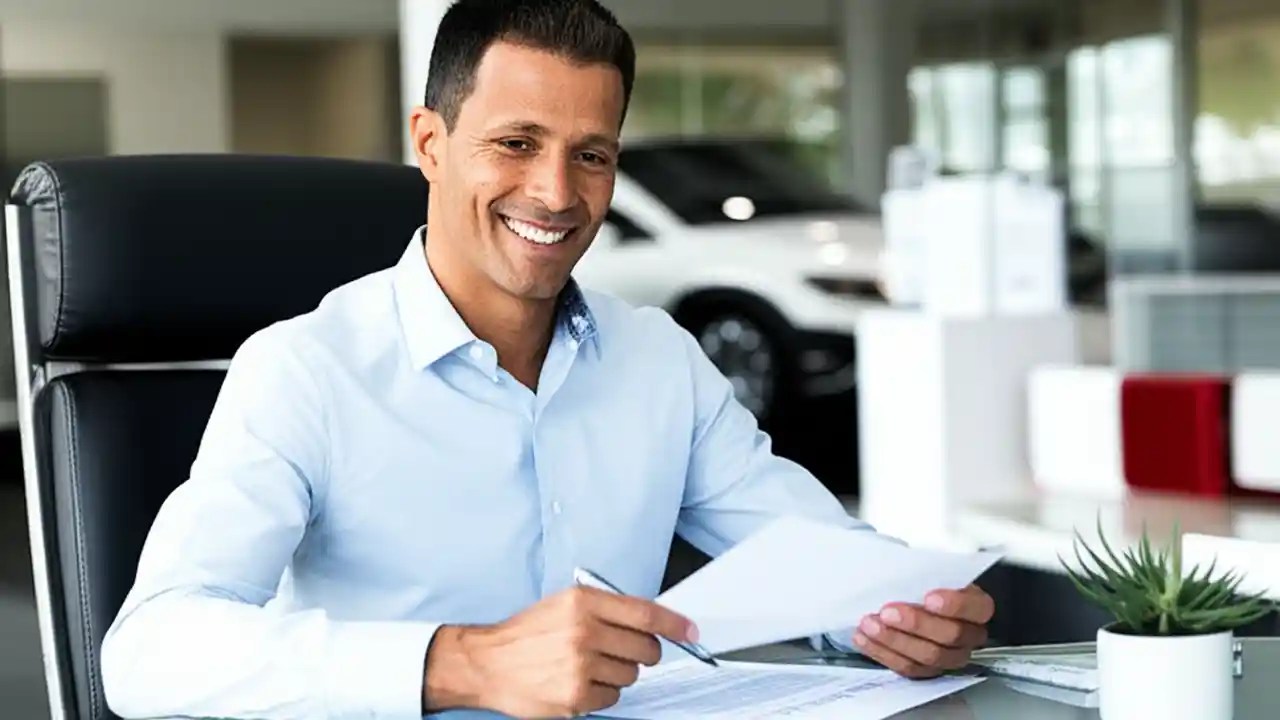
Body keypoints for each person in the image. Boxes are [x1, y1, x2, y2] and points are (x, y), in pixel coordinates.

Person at [101, 1, 995, 718]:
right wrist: (464, 663)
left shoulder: (658, 361)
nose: (557, 193)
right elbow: (148, 654)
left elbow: (815, 559)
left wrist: (898, 616)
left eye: (590, 155)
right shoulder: (305, 369)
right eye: (516, 143)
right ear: (430, 143)